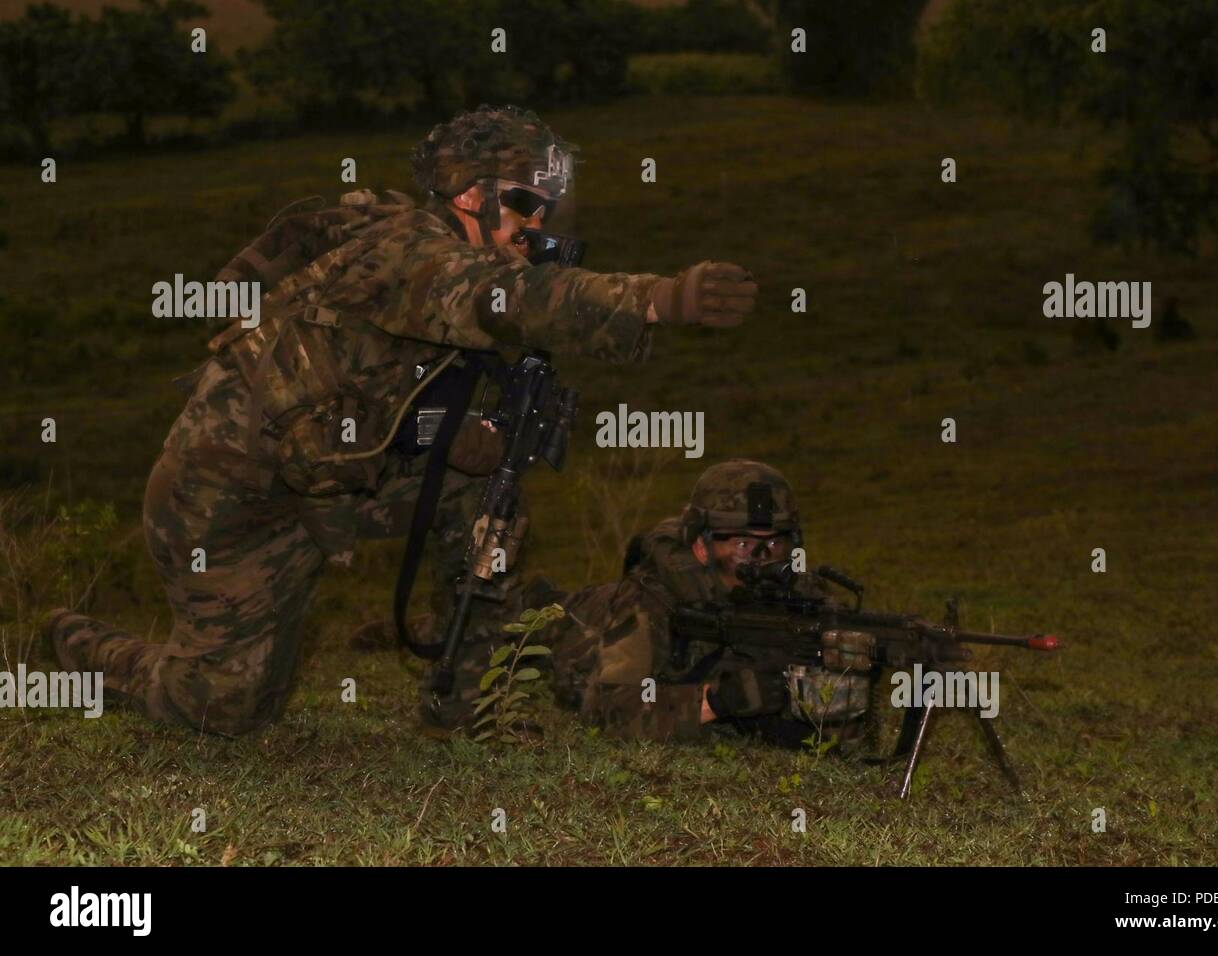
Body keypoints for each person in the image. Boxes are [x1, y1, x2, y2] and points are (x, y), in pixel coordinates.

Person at [44, 105, 757, 737]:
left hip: (342, 485)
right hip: (229, 505)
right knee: (222, 708)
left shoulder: (461, 265)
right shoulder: (409, 255)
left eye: (545, 210)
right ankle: (84, 648)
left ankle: (465, 703)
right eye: (521, 204)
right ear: (470, 195)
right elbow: (509, 301)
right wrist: (662, 299)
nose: (534, 226)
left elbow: (410, 391)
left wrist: (460, 442)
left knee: (490, 499)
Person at [550, 459, 871, 745]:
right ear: (701, 547)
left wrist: (836, 683)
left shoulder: (798, 599)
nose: (762, 559)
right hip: (564, 627)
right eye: (743, 544)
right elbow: (609, 710)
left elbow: (848, 731)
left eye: (774, 542)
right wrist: (719, 701)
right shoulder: (653, 599)